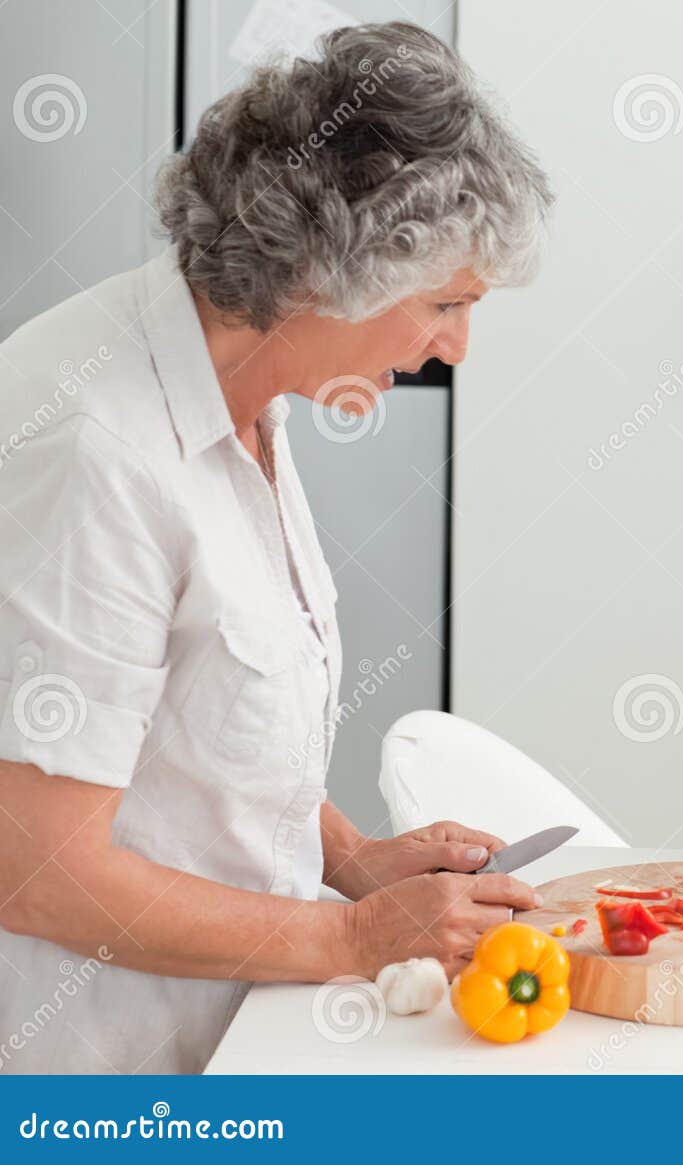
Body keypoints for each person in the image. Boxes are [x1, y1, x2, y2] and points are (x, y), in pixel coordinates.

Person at [0, 22, 554, 1073]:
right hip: (93, 1079)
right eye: (445, 303)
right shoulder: (97, 448)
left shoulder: (243, 398)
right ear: (328, 275)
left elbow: (194, 727)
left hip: (236, 1032)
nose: (455, 347)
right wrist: (352, 939)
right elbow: (35, 870)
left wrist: (352, 860)